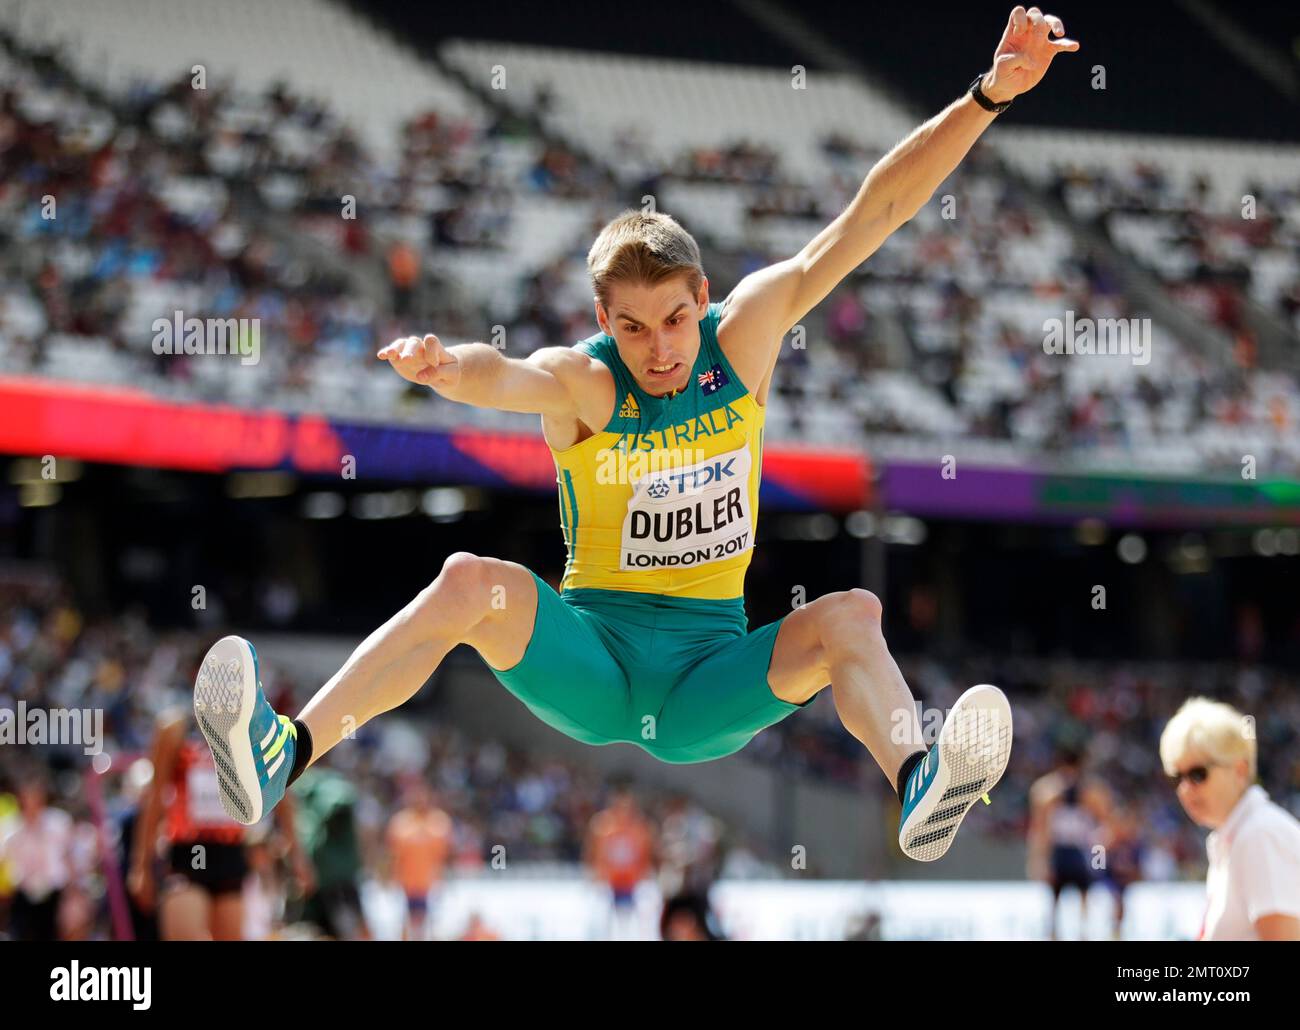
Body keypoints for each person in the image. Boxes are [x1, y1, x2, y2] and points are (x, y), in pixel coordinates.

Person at [192, 7, 1079, 863]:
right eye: (634, 328)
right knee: (470, 582)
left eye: (675, 320)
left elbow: (873, 216)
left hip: (708, 679)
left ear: (702, 298)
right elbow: (513, 378)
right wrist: (450, 367)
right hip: (595, 661)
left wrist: (988, 97)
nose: (658, 349)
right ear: (602, 320)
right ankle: (287, 752)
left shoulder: (750, 332)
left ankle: (918, 780)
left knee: (855, 614)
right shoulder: (586, 380)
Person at [129, 709, 312, 941]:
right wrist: (141, 866)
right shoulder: (176, 730)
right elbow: (155, 796)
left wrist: (297, 855)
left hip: (230, 853)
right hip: (190, 852)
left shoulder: (253, 729)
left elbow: (282, 791)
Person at [1159, 698, 1300, 941]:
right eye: (1177, 778)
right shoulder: (1239, 835)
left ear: (1240, 770)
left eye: (1197, 774)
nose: (1185, 789)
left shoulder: (1260, 834)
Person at [1027, 748, 1106, 940]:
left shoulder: (1092, 792)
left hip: (1081, 850)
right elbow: (1040, 830)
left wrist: (1099, 860)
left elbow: (1103, 828)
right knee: (1054, 902)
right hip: (1060, 851)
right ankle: (1055, 935)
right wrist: (1039, 861)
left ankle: (1083, 934)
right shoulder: (1047, 792)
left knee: (1083, 901)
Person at [0, 776, 75, 941]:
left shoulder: (59, 823)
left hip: (54, 891)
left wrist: (72, 894)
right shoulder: (11, 828)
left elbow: (68, 856)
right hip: (23, 892)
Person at [584, 786, 656, 939]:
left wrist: (645, 874)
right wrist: (592, 872)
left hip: (631, 881)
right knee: (603, 920)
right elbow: (591, 851)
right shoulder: (602, 825)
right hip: (607, 879)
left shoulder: (640, 827)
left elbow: (646, 853)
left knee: (630, 921)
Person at [386, 781, 452, 941]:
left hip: (431, 884)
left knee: (431, 926)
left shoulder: (439, 821)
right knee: (406, 925)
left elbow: (446, 854)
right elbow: (392, 855)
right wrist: (390, 877)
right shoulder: (400, 822)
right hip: (406, 883)